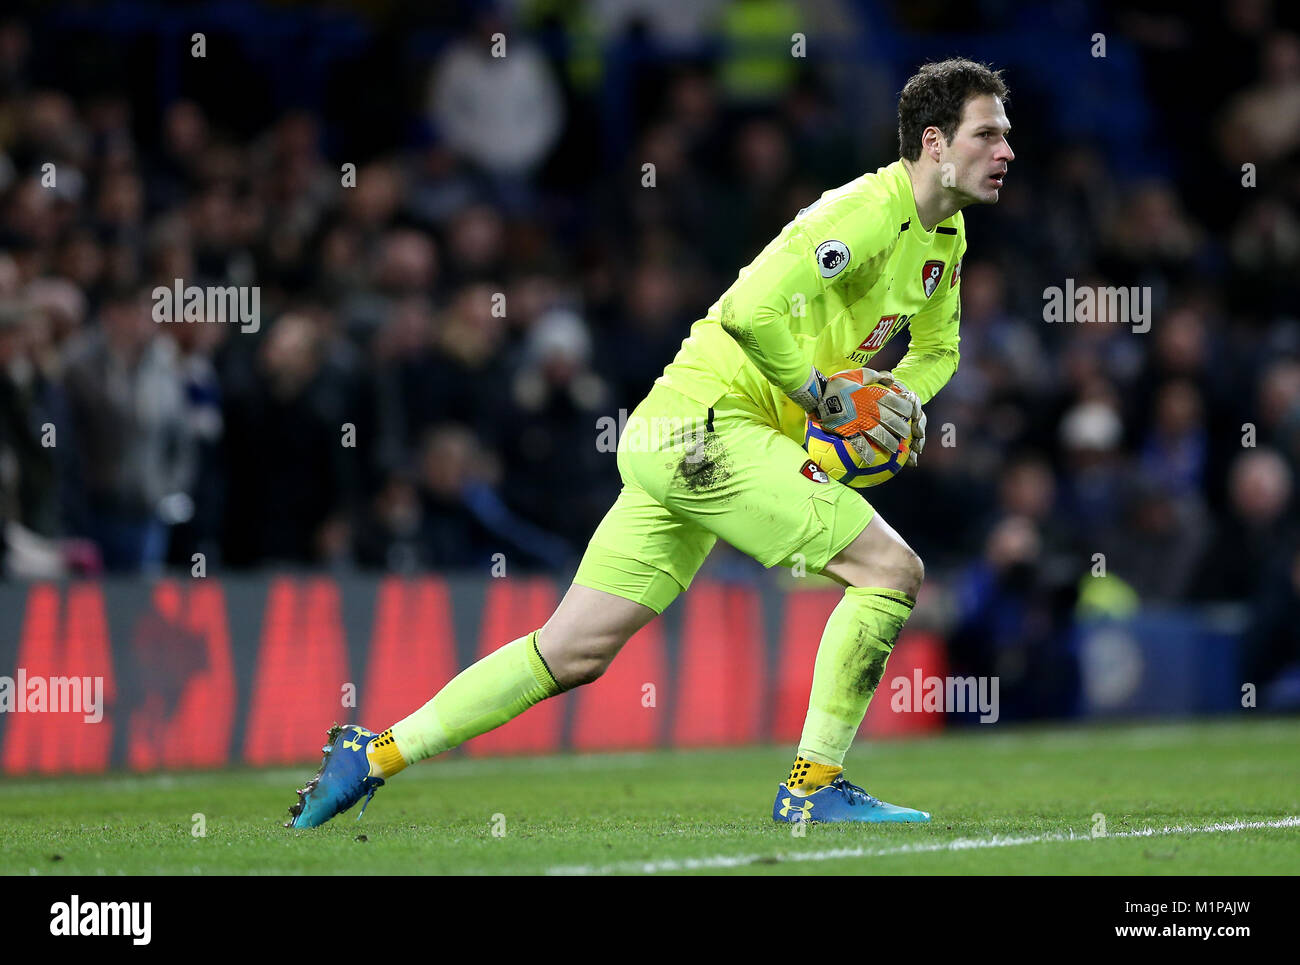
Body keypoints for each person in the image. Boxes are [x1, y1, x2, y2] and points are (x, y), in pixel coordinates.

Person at [286, 58, 1015, 828]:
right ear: (935, 142)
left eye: (1007, 136)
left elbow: (940, 351)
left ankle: (372, 754)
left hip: (689, 436)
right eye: (989, 134)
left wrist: (903, 393)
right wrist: (824, 396)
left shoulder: (946, 239)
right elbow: (749, 313)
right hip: (710, 429)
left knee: (570, 651)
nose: (1006, 151)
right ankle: (812, 785)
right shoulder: (863, 213)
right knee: (891, 570)